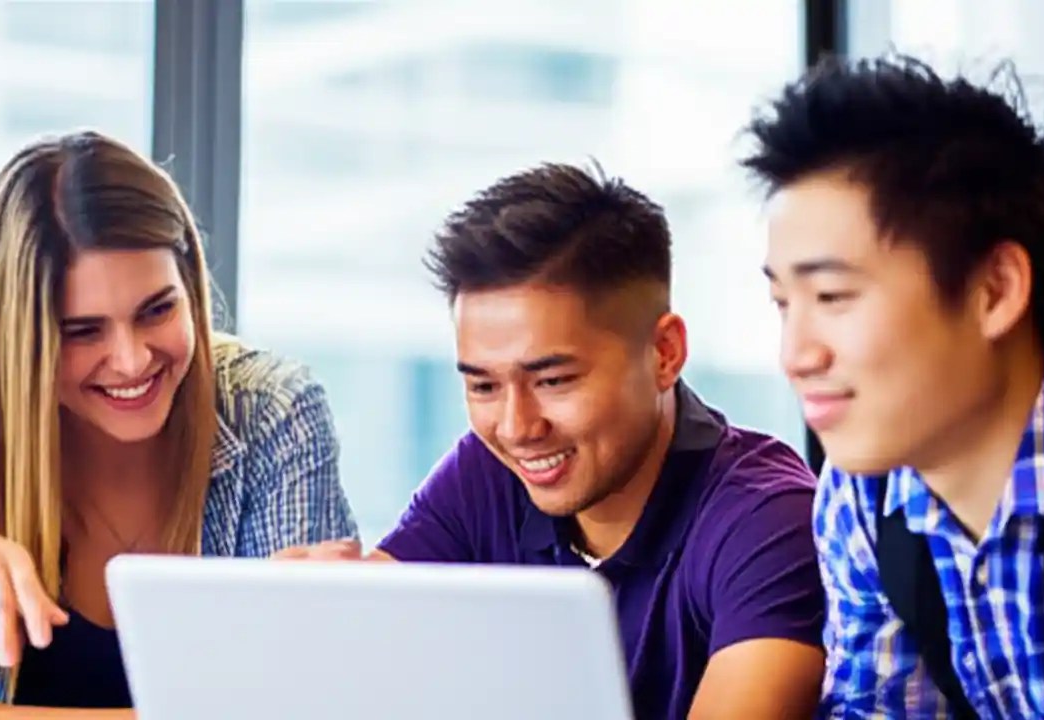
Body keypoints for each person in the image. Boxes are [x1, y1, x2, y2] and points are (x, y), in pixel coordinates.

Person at [0, 130, 358, 719]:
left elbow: (305, 707)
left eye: (158, 310)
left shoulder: (272, 413)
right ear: (20, 336)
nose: (133, 359)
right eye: (83, 331)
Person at [281, 163, 827, 719]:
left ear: (664, 353)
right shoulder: (487, 474)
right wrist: (305, 626)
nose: (517, 427)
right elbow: (359, 651)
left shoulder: (766, 520)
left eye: (553, 381)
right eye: (484, 385)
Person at [744, 54, 1044, 719]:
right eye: (783, 303)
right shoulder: (864, 495)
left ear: (994, 290)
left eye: (832, 295)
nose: (795, 355)